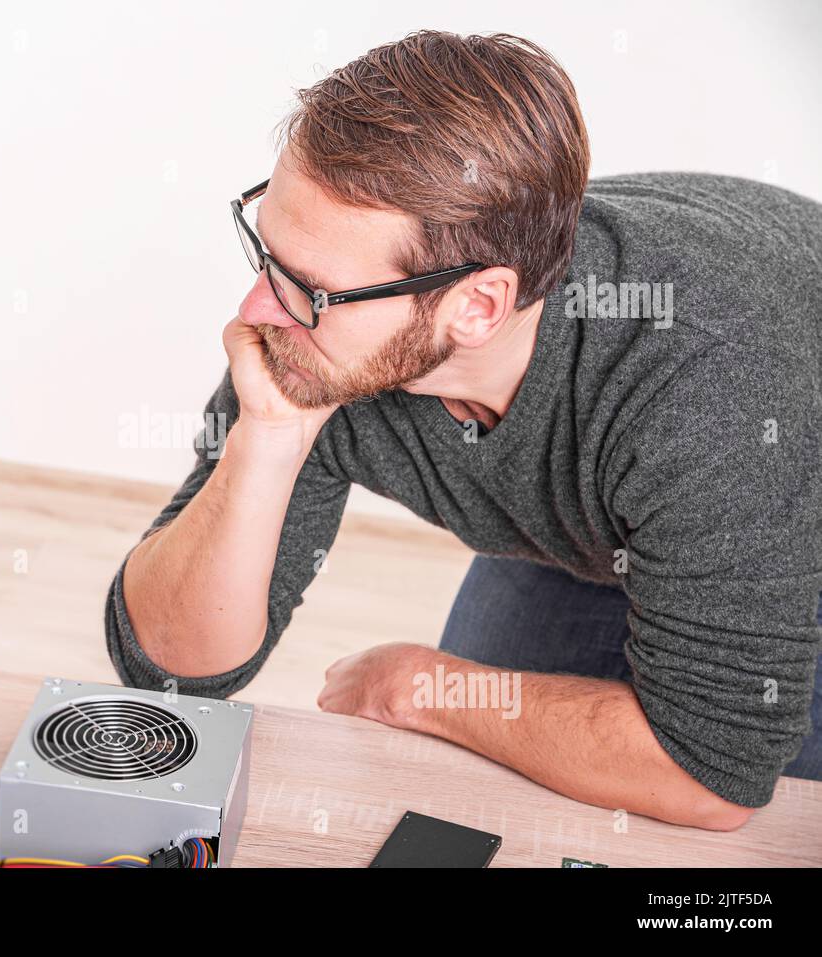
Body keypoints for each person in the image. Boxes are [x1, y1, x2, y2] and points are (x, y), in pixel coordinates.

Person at [104, 31, 822, 830]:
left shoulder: (706, 394)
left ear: (478, 306)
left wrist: (419, 685)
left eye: (310, 289)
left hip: (790, 511)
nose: (255, 311)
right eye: (266, 255)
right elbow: (170, 675)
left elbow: (712, 776)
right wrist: (265, 442)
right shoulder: (315, 326)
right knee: (494, 779)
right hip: (612, 514)